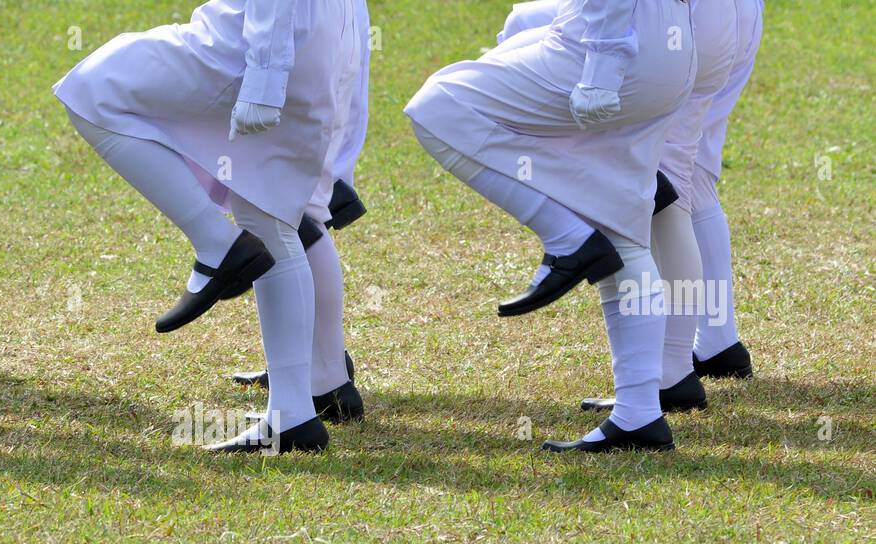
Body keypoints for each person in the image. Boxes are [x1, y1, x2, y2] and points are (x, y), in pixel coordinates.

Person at [55, 0, 365, 455]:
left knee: (93, 88)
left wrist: (264, 79)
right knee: (271, 219)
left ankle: (216, 243)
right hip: (315, 35)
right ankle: (295, 412)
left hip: (260, 36)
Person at [406, 0, 696, 453]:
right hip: (670, 46)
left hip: (614, 42)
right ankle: (639, 415)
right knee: (620, 223)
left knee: (438, 104)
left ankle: (568, 240)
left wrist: (600, 70)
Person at [230, 0, 372, 427]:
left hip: (304, 23)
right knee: (298, 208)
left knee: (291, 211)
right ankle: (319, 366)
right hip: (326, 20)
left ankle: (324, 376)